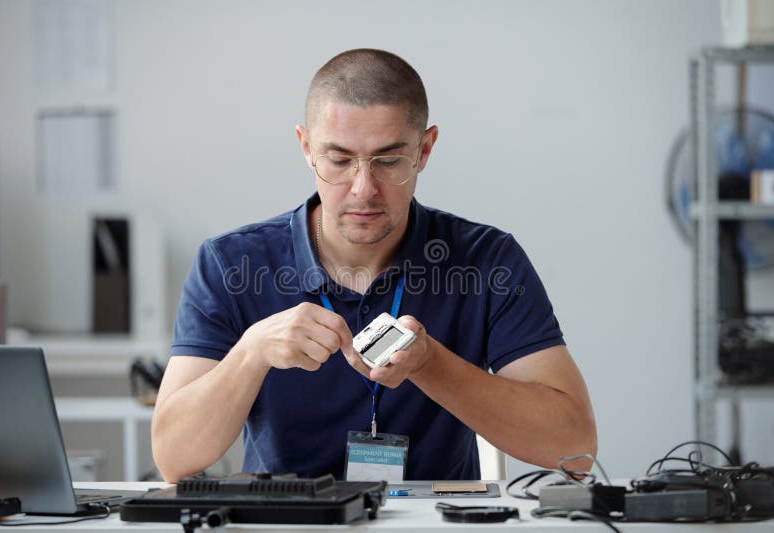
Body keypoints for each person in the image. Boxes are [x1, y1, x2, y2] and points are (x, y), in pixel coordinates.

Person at [152, 48, 596, 483]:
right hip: (286, 521)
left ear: (424, 150)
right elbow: (174, 459)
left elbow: (573, 449)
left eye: (388, 161)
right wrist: (250, 355)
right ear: (306, 148)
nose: (363, 189)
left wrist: (430, 365)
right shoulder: (230, 264)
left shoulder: (487, 259)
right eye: (340, 160)